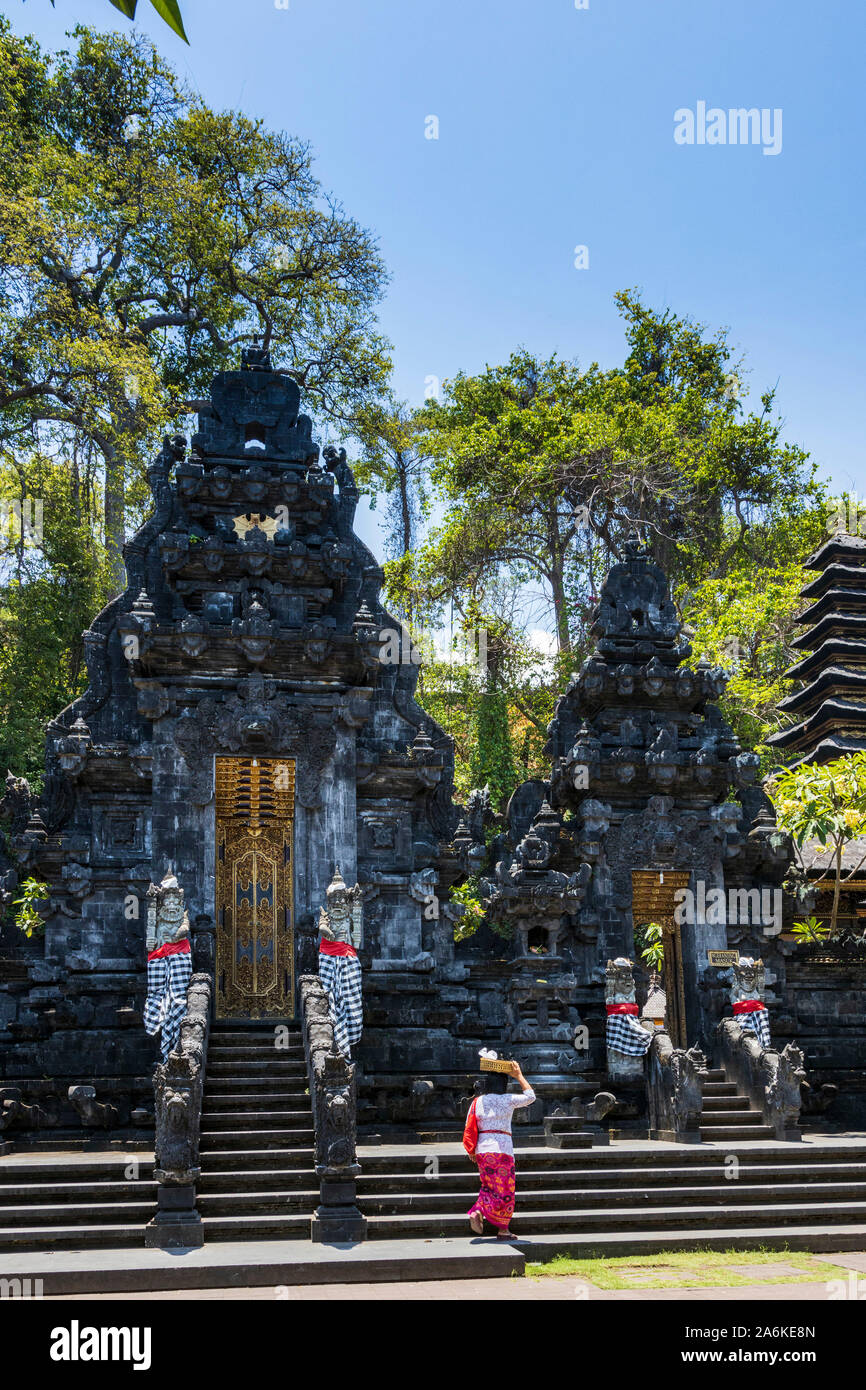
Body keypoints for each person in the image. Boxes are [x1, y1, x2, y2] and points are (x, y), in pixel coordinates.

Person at [467, 1059, 535, 1239]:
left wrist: (471, 1150)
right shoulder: (507, 1100)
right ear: (504, 1086)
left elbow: (470, 1126)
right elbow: (530, 1097)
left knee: (488, 1186)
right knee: (505, 1191)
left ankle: (479, 1211)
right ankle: (503, 1229)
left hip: (482, 1150)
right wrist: (518, 1075)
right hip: (502, 1150)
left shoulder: (477, 1102)